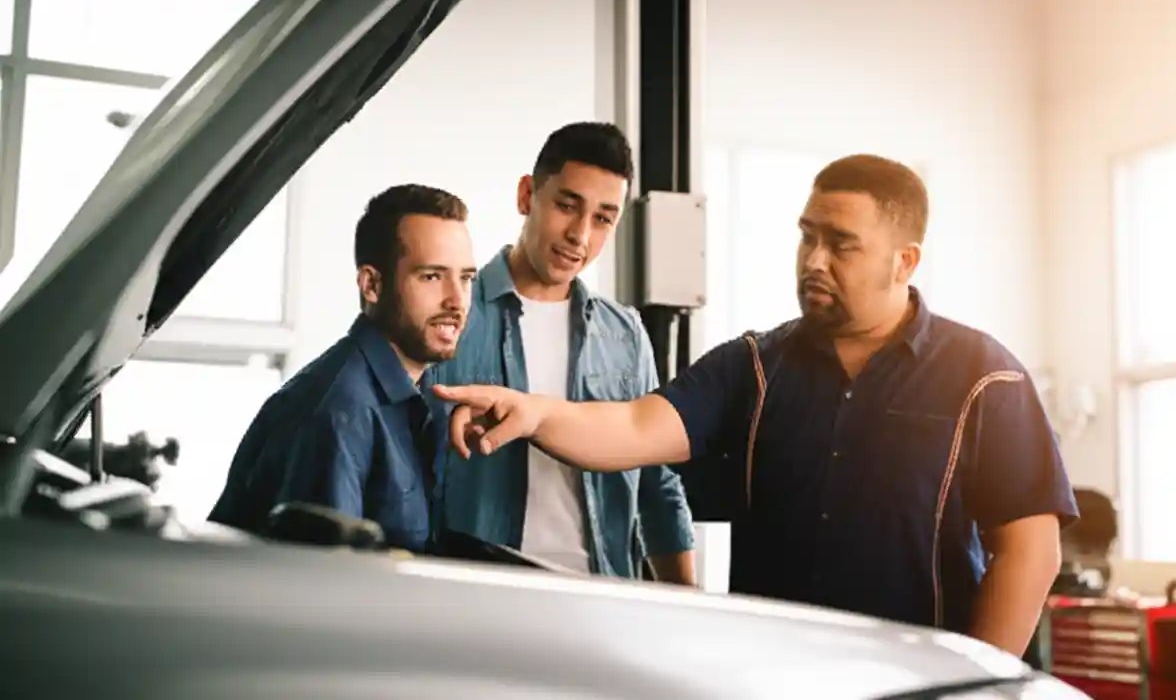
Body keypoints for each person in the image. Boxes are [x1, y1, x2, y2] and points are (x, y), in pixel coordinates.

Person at [434, 154, 1078, 656]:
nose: (814, 260)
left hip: (914, 680)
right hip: (775, 675)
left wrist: (974, 688)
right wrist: (538, 413)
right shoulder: (755, 367)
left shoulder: (983, 379)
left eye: (842, 244)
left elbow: (1030, 551)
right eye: (807, 237)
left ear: (904, 261)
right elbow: (636, 425)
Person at [424, 122, 696, 583]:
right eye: (567, 206)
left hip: (604, 597)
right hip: (479, 601)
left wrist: (688, 611)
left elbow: (658, 488)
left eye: (603, 218)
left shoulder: (624, 334)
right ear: (527, 196)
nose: (580, 235)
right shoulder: (453, 316)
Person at [209, 184, 476, 552]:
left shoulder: (422, 395)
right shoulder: (338, 413)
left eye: (466, 278)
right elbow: (324, 592)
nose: (457, 300)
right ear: (372, 285)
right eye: (431, 276)